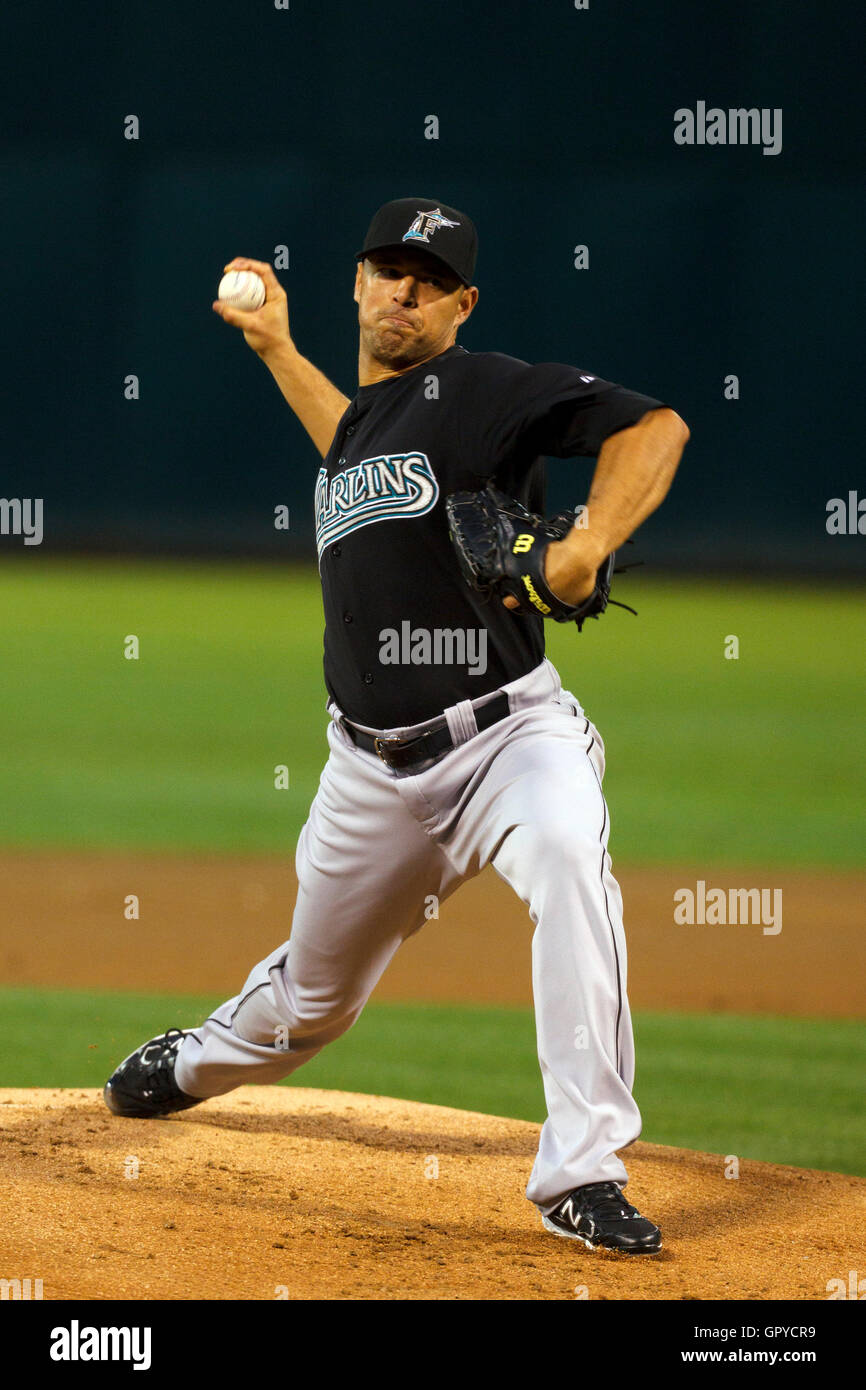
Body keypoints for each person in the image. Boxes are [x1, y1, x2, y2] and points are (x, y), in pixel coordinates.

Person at [104, 197, 690, 1255]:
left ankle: (582, 1171)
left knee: (566, 856)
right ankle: (195, 1062)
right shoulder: (370, 423)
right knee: (311, 1007)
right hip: (367, 776)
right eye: (388, 268)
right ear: (359, 285)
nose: (404, 288)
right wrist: (276, 345)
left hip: (509, 740)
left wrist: (587, 538)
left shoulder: (480, 388)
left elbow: (656, 426)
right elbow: (350, 443)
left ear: (459, 303)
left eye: (429, 277)